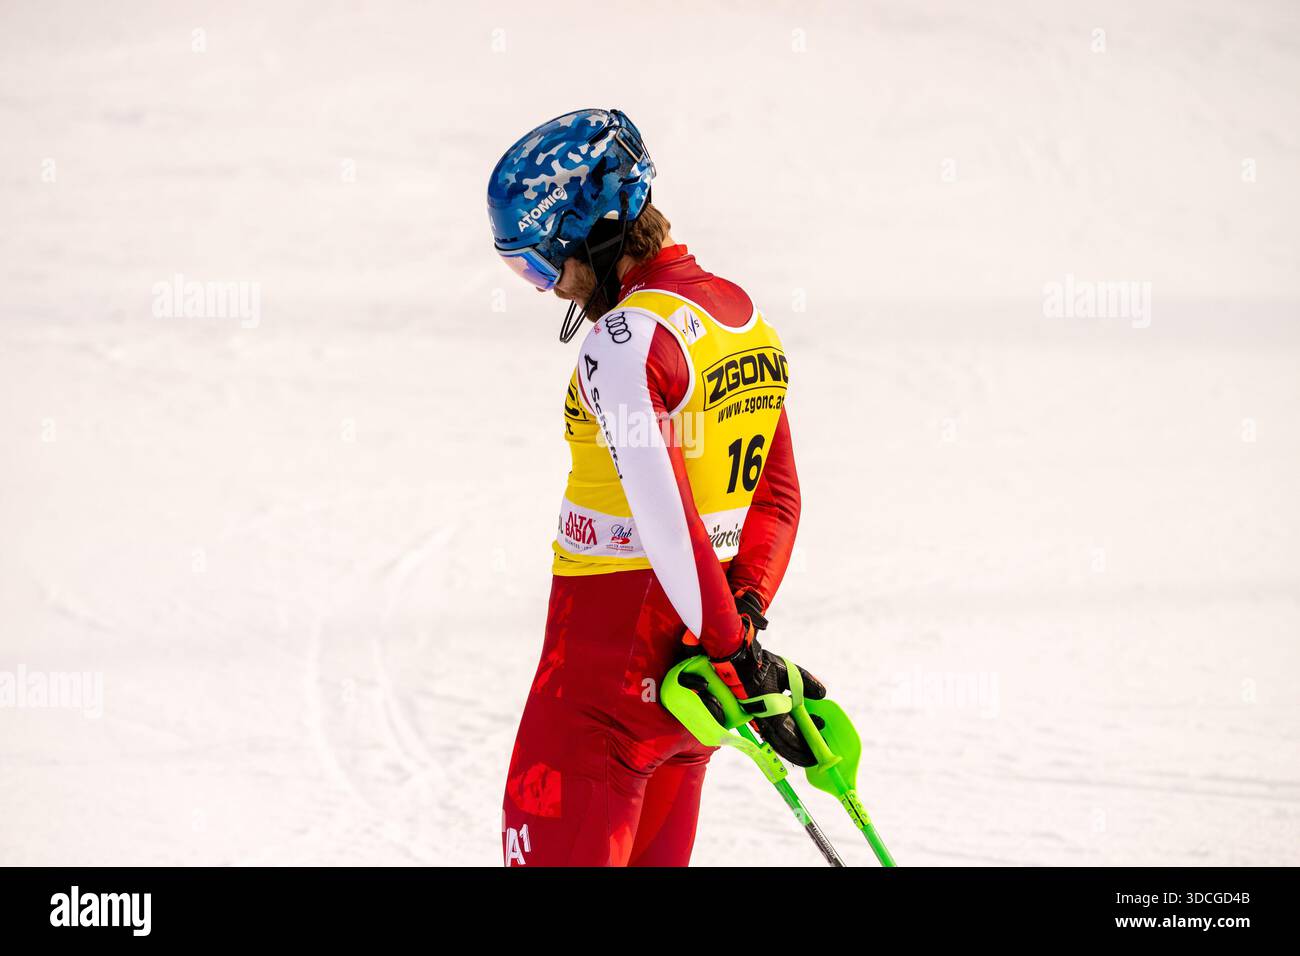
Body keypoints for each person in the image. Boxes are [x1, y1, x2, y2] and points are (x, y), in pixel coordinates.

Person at [487, 109, 822, 866]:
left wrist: (735, 649)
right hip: (686, 698)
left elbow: (668, 522)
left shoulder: (624, 339)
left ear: (593, 232)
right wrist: (744, 624)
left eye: (544, 265)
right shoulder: (744, 320)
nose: (546, 290)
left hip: (600, 692)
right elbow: (778, 499)